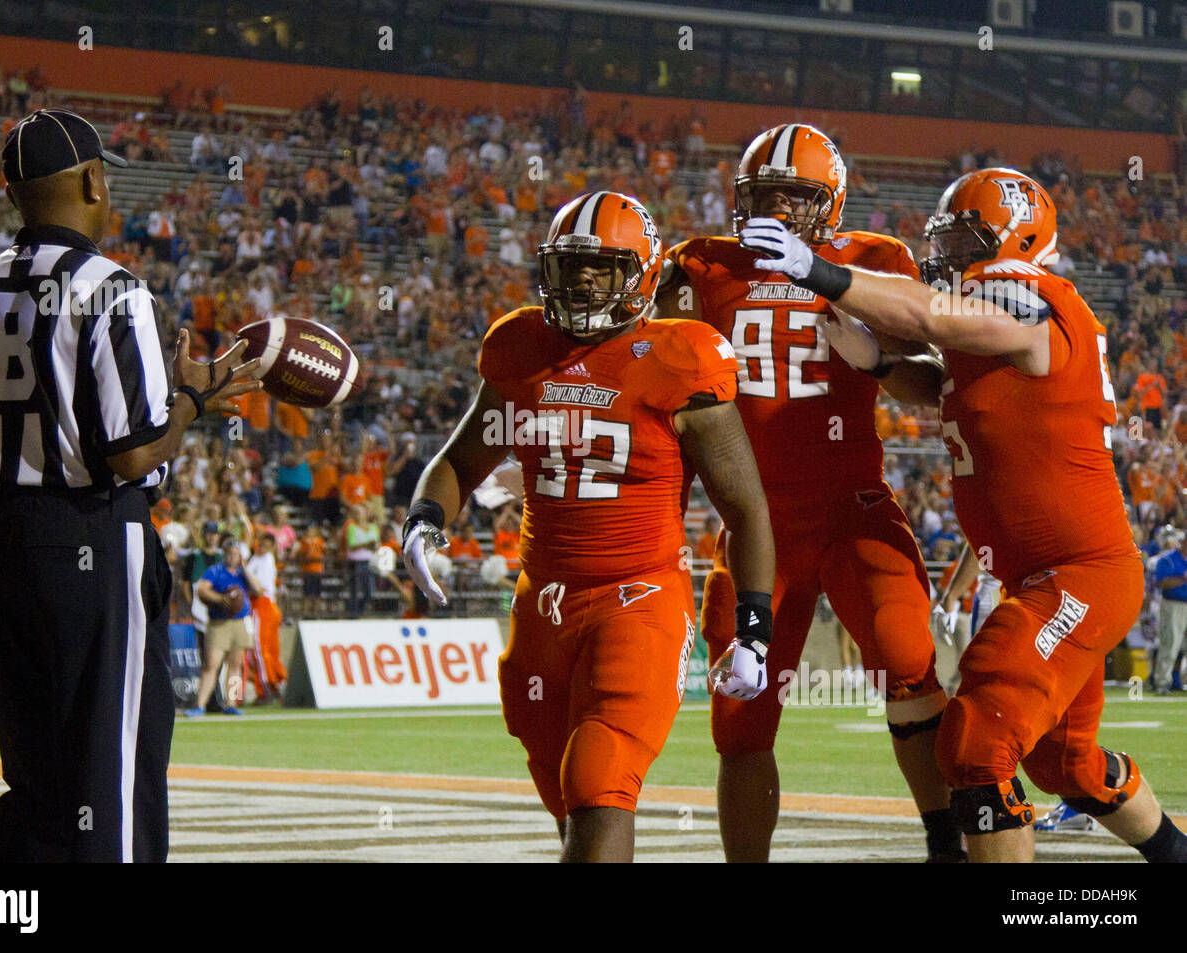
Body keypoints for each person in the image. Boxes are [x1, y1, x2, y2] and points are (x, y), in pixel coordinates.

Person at [738, 165, 1187, 863]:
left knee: (976, 739)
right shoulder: (996, 325)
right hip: (1051, 577)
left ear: (1016, 237)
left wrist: (818, 270)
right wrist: (881, 367)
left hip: (1076, 576)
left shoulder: (1034, 294)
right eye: (946, 238)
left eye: (965, 237)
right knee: (1066, 765)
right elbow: (944, 379)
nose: (947, 254)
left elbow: (930, 316)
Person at [0, 109, 261, 862]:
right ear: (93, 181)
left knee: (37, 790)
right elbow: (134, 455)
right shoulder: (113, 288)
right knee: (113, 777)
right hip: (94, 537)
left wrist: (20, 442)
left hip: (0, 538)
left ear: (13, 194)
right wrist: (192, 401)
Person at [402, 192, 776, 862]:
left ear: (644, 273)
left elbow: (744, 505)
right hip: (542, 600)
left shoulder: (681, 354)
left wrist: (754, 626)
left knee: (599, 777)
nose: (580, 281)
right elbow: (460, 458)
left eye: (601, 268)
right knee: (561, 779)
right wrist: (425, 520)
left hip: (639, 596)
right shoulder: (519, 347)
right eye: (569, 265)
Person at [654, 124, 956, 862]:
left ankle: (947, 838)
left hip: (853, 503)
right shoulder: (702, 263)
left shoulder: (873, 260)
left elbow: (934, 385)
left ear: (833, 201)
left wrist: (878, 357)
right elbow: (643, 366)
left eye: (797, 195)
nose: (779, 209)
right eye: (765, 194)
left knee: (908, 658)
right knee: (741, 717)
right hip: (755, 520)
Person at [189, 534, 263, 716]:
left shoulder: (242, 574)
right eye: (229, 553)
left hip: (239, 622)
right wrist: (220, 599)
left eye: (236, 554)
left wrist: (245, 569)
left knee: (236, 664)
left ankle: (231, 702)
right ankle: (200, 705)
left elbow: (258, 590)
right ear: (225, 554)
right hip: (219, 622)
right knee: (212, 664)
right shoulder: (215, 571)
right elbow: (202, 589)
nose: (232, 557)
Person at [246, 533, 286, 702]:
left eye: (265, 545)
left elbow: (258, 588)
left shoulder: (265, 560)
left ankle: (266, 688)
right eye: (260, 543)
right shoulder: (258, 558)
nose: (261, 547)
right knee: (269, 649)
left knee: (258, 649)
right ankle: (277, 680)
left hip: (262, 604)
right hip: (268, 605)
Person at [1152, 526, 1187, 695]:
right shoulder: (1168, 559)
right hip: (1173, 605)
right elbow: (1161, 583)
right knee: (1170, 644)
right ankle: (1162, 682)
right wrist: (1182, 579)